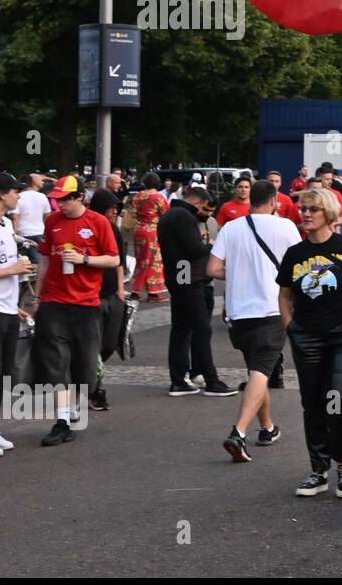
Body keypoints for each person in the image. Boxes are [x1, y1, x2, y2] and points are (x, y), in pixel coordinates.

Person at [277, 187, 342, 498]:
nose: (305, 214)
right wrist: (290, 327)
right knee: (313, 402)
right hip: (306, 336)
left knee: (338, 399)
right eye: (303, 208)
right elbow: (284, 294)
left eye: (312, 209)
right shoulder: (295, 253)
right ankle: (317, 470)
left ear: (328, 214)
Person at [209, 179, 301, 462]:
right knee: (261, 372)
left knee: (256, 372)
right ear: (274, 201)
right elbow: (300, 266)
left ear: (250, 200)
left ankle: (268, 427)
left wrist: (236, 274)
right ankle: (239, 431)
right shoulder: (286, 226)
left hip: (238, 313)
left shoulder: (232, 228)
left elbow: (212, 268)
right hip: (271, 308)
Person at [32, 176, 121, 445]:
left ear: (80, 197)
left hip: (85, 304)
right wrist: (37, 296)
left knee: (84, 368)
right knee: (55, 363)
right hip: (54, 302)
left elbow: (114, 258)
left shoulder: (98, 222)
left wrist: (84, 259)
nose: (60, 204)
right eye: (57, 199)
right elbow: (45, 259)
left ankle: (73, 409)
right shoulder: (52, 222)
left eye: (65, 199)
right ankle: (60, 421)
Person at [158, 186, 236, 398]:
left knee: (181, 329)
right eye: (205, 210)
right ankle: (211, 380)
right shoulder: (184, 217)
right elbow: (193, 251)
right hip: (189, 279)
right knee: (201, 329)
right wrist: (211, 244)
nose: (206, 215)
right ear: (198, 203)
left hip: (177, 276)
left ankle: (179, 380)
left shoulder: (169, 215)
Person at [0, 173, 30, 457]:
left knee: (3, 375)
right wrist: (12, 270)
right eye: (16, 191)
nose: (19, 197)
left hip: (6, 310)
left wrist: (15, 305)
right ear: (2, 193)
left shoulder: (4, 226)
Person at [87, 190, 127, 413]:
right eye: (112, 207)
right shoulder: (91, 227)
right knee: (93, 343)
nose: (115, 211)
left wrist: (121, 289)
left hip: (113, 294)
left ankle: (92, 378)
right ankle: (95, 389)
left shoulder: (113, 229)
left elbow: (119, 261)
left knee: (110, 343)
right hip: (93, 295)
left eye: (117, 208)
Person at [128, 172, 169, 302]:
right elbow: (166, 215)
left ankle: (135, 290)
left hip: (139, 230)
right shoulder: (158, 197)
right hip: (153, 232)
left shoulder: (138, 196)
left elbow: (133, 213)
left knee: (141, 261)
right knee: (153, 262)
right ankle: (152, 293)